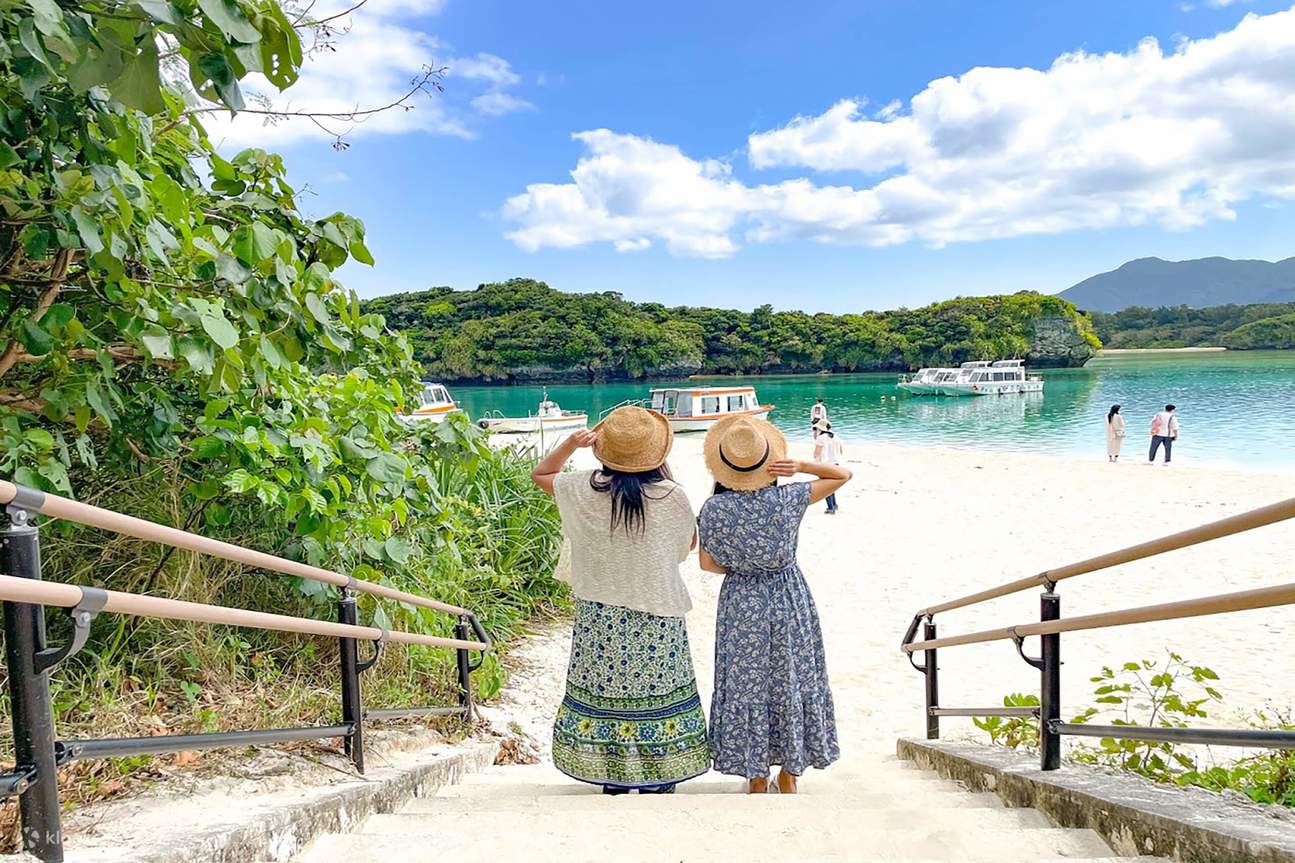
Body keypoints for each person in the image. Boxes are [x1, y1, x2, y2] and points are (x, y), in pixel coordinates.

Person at [531, 407, 709, 795]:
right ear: (657, 454)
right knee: (656, 691)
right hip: (656, 608)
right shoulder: (671, 495)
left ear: (602, 448)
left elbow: (541, 474)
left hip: (600, 609)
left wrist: (569, 444)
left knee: (607, 691)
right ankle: (658, 774)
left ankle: (611, 774)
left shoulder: (581, 487)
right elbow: (686, 547)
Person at [697, 415, 850, 795]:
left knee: (746, 683)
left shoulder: (714, 509)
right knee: (791, 676)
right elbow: (841, 475)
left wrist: (743, 568)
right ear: (769, 462)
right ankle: (790, 774)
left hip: (741, 600)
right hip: (788, 595)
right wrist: (801, 466)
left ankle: (755, 776)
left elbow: (707, 563)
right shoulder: (788, 498)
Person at [812, 419, 844, 513]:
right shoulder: (836, 437)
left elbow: (817, 453)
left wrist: (815, 460)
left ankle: (831, 508)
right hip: (836, 463)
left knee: (826, 487)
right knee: (832, 486)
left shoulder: (821, 438)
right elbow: (841, 451)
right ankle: (834, 504)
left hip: (825, 464)